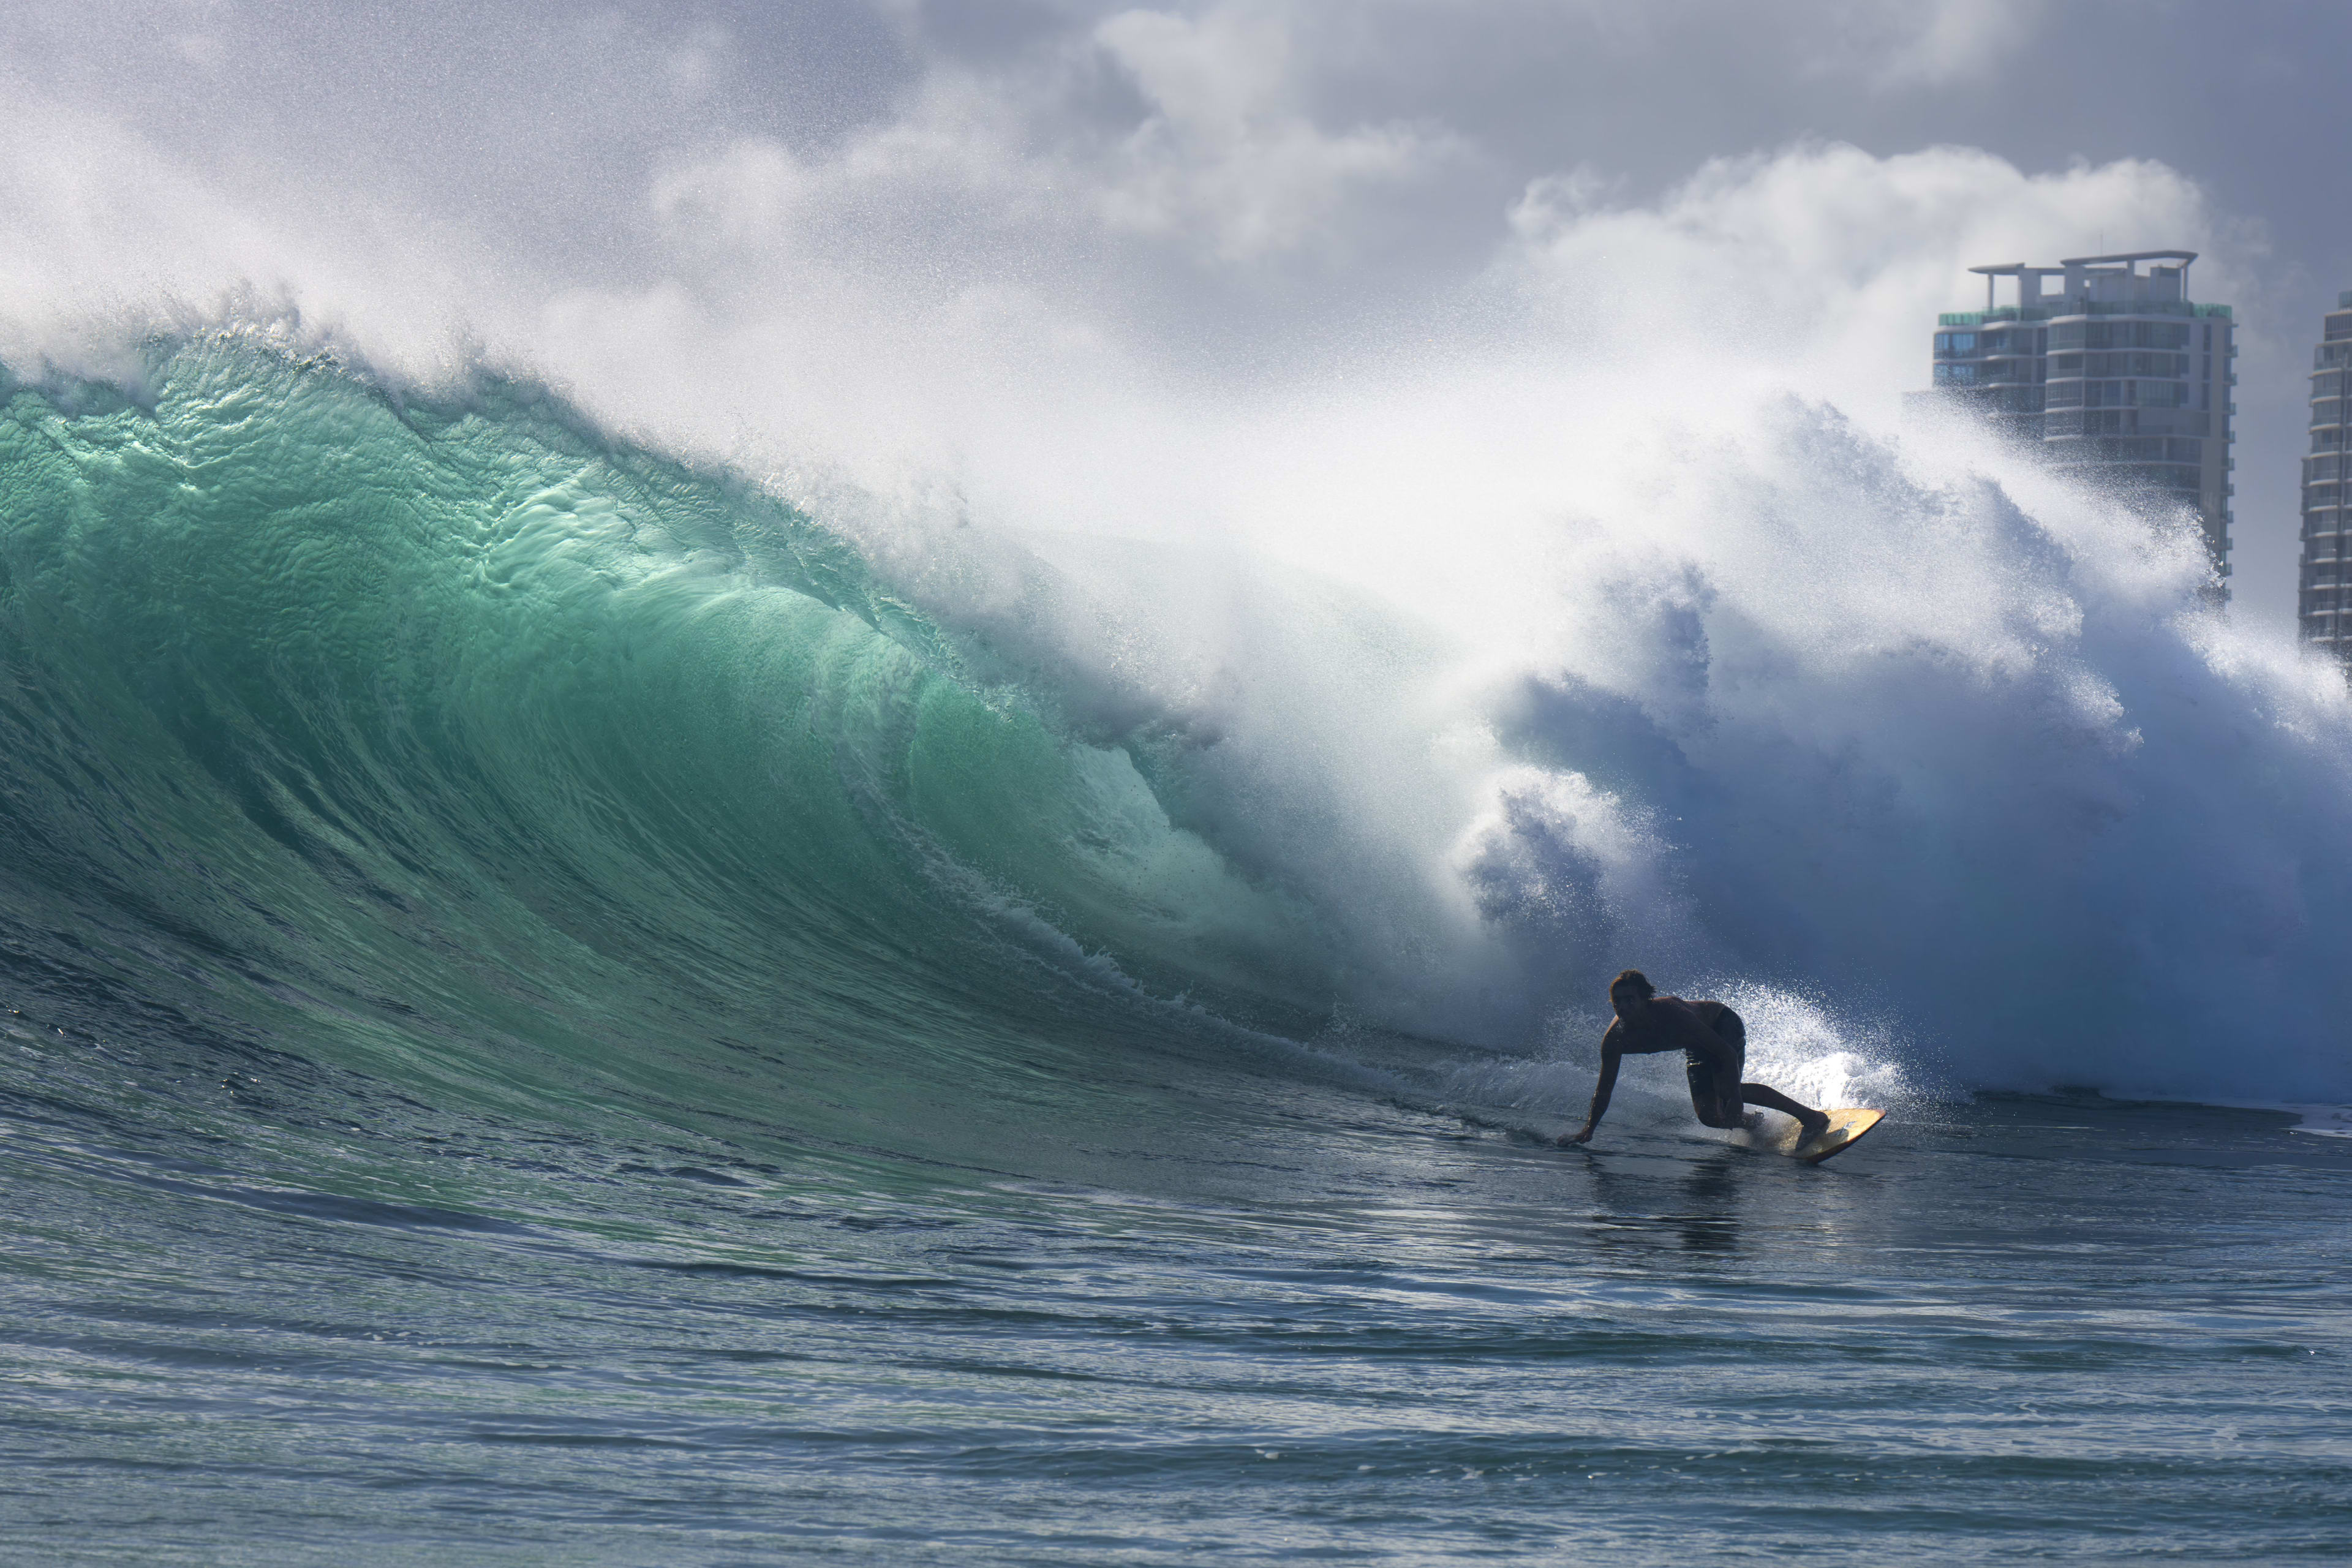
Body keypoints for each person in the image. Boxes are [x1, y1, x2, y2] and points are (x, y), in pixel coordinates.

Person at [1562, 968, 1830, 1146]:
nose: (1623, 1006)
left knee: (1725, 1089)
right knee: (1710, 1117)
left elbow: (1725, 1052)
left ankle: (1811, 1118)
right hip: (1695, 1045)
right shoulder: (1615, 1040)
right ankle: (1755, 1124)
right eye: (1617, 1001)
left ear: (1646, 1000)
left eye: (1630, 999)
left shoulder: (1672, 1014)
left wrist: (1735, 1098)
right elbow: (1604, 1089)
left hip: (1721, 1024)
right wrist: (1588, 1130)